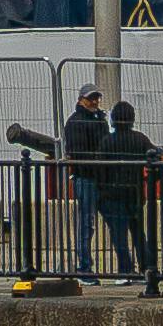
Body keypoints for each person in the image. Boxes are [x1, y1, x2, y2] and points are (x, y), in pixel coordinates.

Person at [97, 88, 159, 285]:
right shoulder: (140, 139)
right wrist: (150, 181)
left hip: (112, 194)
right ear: (132, 119)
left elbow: (100, 170)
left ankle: (125, 271)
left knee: (119, 236)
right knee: (139, 234)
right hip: (135, 192)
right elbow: (155, 160)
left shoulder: (107, 141)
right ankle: (147, 269)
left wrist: (103, 191)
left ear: (114, 119)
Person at [60, 73, 110, 288]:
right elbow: (81, 152)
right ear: (81, 99)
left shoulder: (97, 120)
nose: (95, 102)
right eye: (91, 98)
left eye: (96, 98)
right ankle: (84, 266)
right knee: (87, 223)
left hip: (97, 177)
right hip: (88, 177)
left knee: (94, 222)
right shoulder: (77, 122)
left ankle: (89, 266)